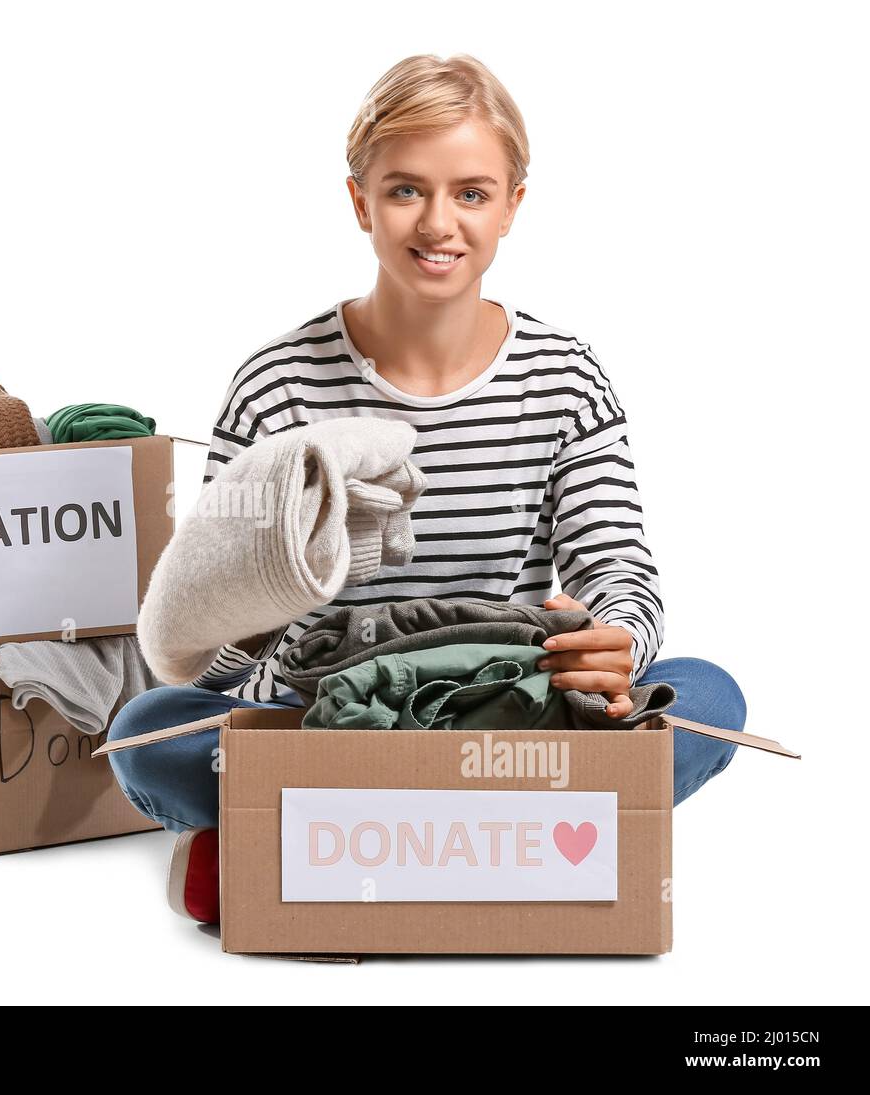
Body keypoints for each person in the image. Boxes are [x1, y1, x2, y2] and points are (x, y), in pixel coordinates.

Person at [106, 53, 747, 924]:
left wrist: (617, 644)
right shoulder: (277, 387)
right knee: (146, 729)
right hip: (326, 725)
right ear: (360, 200)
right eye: (406, 189)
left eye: (472, 193)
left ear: (514, 204)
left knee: (709, 697)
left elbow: (619, 570)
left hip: (510, 720)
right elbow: (206, 653)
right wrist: (271, 584)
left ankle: (301, 842)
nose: (438, 222)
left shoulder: (565, 379)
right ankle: (499, 852)